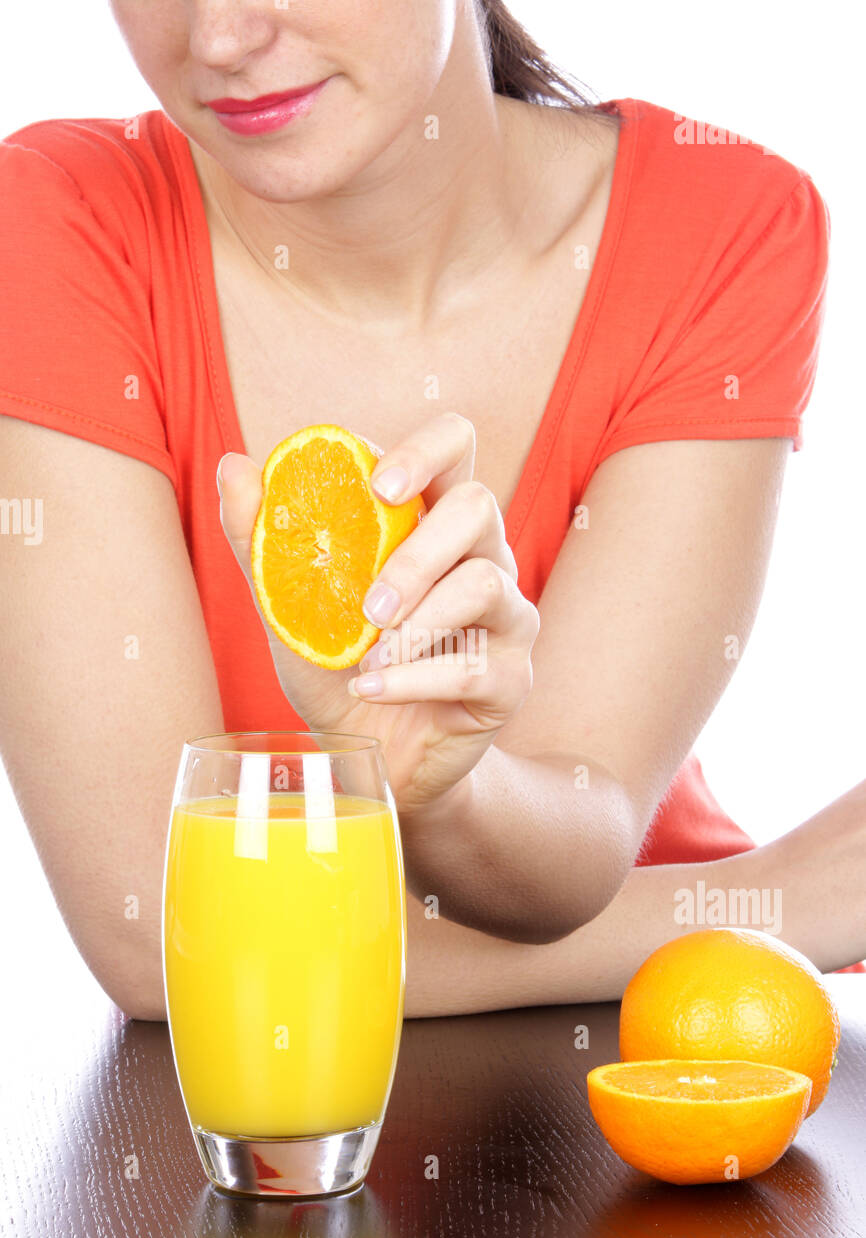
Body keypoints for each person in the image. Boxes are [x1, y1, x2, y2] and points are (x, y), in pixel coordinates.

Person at [0, 0, 862, 1023]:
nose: (219, 40)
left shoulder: (722, 222)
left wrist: (448, 789)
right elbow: (166, 939)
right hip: (276, 1107)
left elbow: (566, 852)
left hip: (685, 1047)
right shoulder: (49, 220)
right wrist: (777, 900)